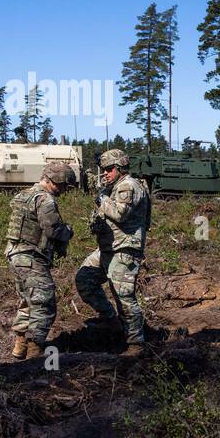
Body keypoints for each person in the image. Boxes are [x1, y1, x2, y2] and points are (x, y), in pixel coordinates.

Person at [75, 149, 152, 356]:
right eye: (103, 170)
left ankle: (136, 343)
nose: (105, 173)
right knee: (85, 278)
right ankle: (110, 320)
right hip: (108, 248)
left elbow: (120, 213)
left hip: (124, 250)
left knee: (124, 297)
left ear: (120, 168)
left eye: (109, 169)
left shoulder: (129, 185)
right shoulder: (114, 187)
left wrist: (102, 200)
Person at [5, 162, 75, 360]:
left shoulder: (24, 194)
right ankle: (35, 351)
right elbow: (53, 230)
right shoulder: (45, 200)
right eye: (64, 185)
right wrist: (69, 231)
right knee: (44, 302)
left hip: (15, 255)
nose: (64, 190)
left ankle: (20, 347)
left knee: (27, 301)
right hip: (31, 257)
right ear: (57, 181)